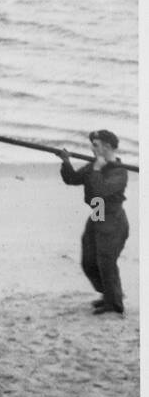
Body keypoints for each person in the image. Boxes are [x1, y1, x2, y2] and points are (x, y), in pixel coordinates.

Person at [58, 130, 130, 315]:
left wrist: (98, 169)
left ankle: (113, 304)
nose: (92, 148)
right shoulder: (93, 166)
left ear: (107, 147)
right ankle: (109, 294)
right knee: (89, 260)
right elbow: (72, 179)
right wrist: (66, 161)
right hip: (98, 213)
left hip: (113, 218)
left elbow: (101, 191)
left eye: (96, 145)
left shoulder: (119, 171)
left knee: (106, 261)